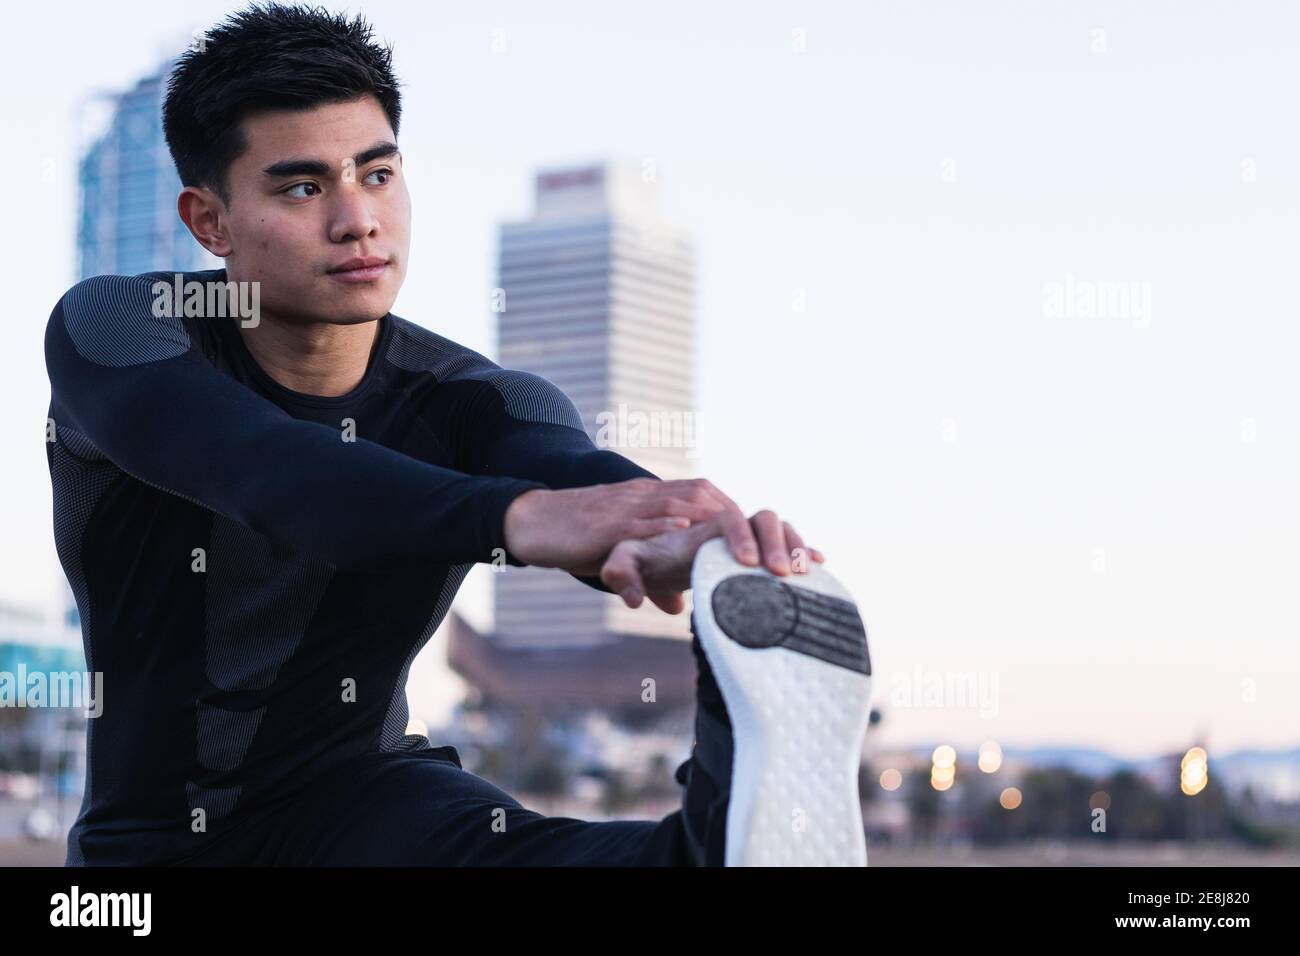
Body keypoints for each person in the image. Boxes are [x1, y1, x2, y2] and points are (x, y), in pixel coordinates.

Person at [44, 2, 869, 866]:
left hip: (376, 804)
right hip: (148, 848)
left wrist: (700, 544)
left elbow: (575, 473)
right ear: (208, 221)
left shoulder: (476, 399)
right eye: (302, 186)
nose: (356, 219)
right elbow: (274, 474)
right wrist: (520, 520)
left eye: (377, 174)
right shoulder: (122, 330)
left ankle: (741, 813)